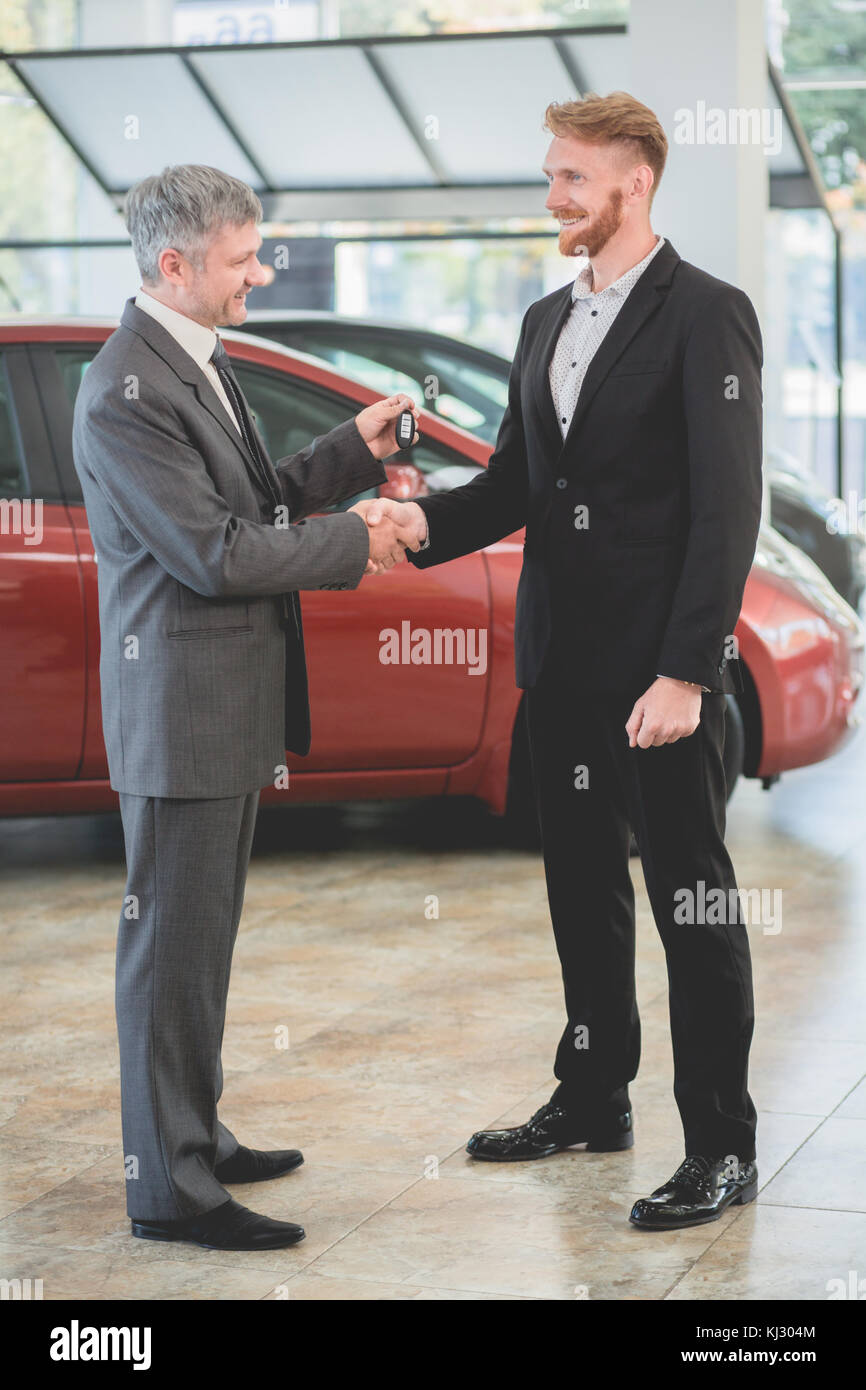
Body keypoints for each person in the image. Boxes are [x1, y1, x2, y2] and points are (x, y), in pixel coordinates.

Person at [360, 91, 763, 1231]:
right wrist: (416, 527)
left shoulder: (706, 316)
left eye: (570, 179)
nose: (552, 197)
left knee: (690, 902)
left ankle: (721, 1145)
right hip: (562, 666)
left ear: (632, 180)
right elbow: (513, 486)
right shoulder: (543, 322)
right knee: (580, 895)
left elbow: (724, 511)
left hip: (659, 679)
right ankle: (592, 1096)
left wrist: (687, 670)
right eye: (550, 176)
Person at [72, 164, 419, 1252]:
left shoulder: (192, 359)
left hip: (221, 710)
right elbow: (213, 554)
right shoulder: (124, 388)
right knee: (169, 951)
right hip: (182, 714)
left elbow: (253, 502)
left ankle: (195, 1135)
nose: (258, 275)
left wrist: (345, 455)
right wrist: (361, 540)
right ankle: (170, 1189)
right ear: (172, 265)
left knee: (200, 945)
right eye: (240, 260)